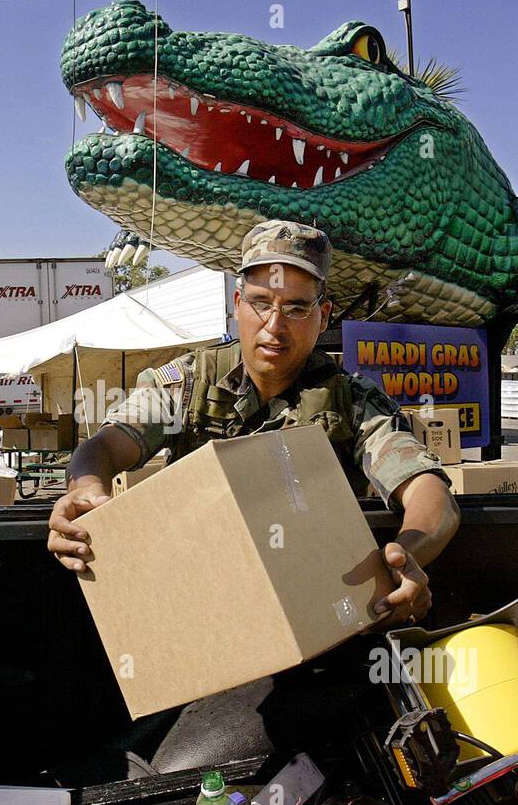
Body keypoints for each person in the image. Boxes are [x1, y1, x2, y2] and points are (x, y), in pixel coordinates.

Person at [47, 220, 461, 626]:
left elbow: (429, 492)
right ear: (238, 305)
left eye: (297, 308)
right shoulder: (190, 383)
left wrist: (406, 553)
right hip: (206, 606)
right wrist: (87, 492)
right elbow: (102, 448)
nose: (275, 326)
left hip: (320, 613)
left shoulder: (351, 401)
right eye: (261, 303)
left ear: (324, 316)